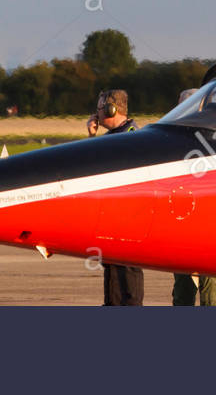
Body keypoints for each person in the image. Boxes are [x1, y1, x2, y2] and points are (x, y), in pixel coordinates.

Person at [87, 89, 143, 305]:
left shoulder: (131, 136)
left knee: (127, 268)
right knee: (111, 266)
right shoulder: (114, 137)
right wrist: (92, 138)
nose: (96, 114)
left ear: (112, 109)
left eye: (100, 109)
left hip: (129, 217)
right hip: (114, 217)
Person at [170, 88, 216, 306]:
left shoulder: (215, 138)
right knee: (183, 281)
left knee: (210, 279)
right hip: (181, 217)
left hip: (206, 217)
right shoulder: (173, 139)